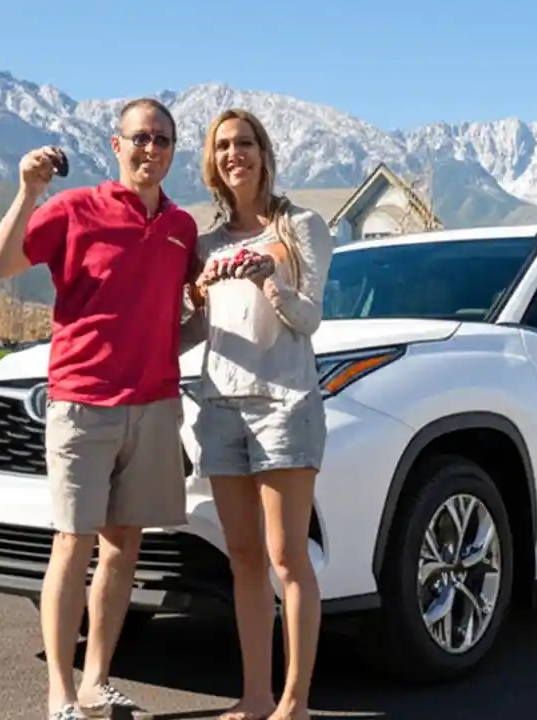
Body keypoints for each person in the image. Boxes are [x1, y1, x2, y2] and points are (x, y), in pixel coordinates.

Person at [0, 97, 199, 720]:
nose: (150, 149)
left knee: (122, 547)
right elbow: (0, 265)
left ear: (171, 150)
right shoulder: (77, 208)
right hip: (82, 402)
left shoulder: (182, 227)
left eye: (161, 140)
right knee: (71, 544)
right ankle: (60, 690)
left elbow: (185, 310)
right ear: (116, 144)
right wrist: (27, 190)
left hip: (154, 406)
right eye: (140, 138)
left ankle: (98, 679)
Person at [185, 108, 333, 720]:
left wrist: (270, 277)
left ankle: (294, 702)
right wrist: (190, 302)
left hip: (283, 407)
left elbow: (309, 318)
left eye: (244, 142)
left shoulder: (301, 225)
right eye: (223, 145)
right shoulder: (204, 243)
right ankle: (254, 697)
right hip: (218, 407)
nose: (234, 153)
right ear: (212, 161)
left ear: (264, 152)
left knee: (285, 556)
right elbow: (198, 331)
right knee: (242, 558)